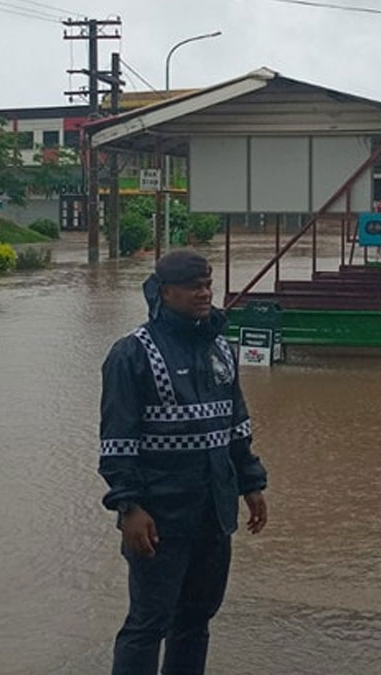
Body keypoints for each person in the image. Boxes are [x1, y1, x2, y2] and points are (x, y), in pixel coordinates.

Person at [99, 249, 268, 675]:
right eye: (194, 286)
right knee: (148, 623)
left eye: (208, 284)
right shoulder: (132, 354)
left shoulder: (221, 350)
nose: (204, 293)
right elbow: (117, 441)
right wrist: (130, 507)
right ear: (164, 291)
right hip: (160, 518)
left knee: (195, 621)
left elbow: (236, 427)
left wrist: (251, 484)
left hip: (213, 513)